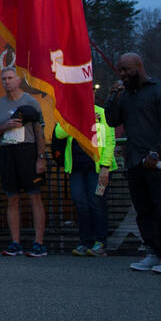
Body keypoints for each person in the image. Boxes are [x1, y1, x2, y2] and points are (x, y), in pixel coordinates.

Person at [104, 53, 161, 275]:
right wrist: (112, 97)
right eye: (120, 70)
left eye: (126, 70)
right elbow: (112, 120)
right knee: (143, 209)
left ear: (139, 67)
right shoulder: (126, 95)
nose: (122, 74)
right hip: (134, 160)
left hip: (158, 160)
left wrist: (156, 152)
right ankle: (154, 251)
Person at [0, 67, 48, 257]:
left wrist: (41, 158)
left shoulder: (31, 102)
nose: (7, 81)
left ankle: (39, 243)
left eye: (10, 78)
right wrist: (5, 126)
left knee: (34, 196)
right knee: (12, 199)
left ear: (19, 80)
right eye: (4, 78)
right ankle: (15, 243)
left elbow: (40, 132)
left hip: (27, 151)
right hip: (7, 152)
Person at [54, 103, 116, 257]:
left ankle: (100, 243)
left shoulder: (102, 113)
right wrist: (80, 121)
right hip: (76, 169)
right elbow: (59, 133)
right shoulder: (69, 112)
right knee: (81, 203)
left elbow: (109, 141)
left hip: (97, 169)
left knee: (97, 203)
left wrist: (105, 167)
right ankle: (85, 242)